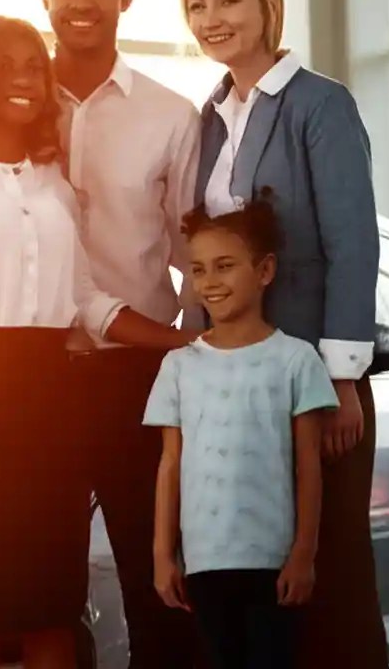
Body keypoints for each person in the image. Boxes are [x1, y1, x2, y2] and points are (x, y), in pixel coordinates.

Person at [0, 0, 206, 667]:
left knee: (95, 606)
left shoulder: (125, 140)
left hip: (91, 393)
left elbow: (111, 292)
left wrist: (187, 347)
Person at [181, 0, 386, 666]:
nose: (213, 20)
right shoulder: (211, 116)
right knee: (257, 589)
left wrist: (342, 377)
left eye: (229, 1)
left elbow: (352, 244)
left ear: (269, 2)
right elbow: (202, 253)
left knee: (332, 581)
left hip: (310, 381)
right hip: (233, 385)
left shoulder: (320, 105)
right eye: (199, 5)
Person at [146, 194, 333, 669]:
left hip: (274, 563)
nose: (210, 282)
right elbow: (170, 466)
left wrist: (303, 554)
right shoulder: (178, 367)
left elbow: (308, 464)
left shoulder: (296, 360)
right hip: (204, 564)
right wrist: (162, 555)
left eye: (225, 266)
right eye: (200, 269)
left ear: (265, 271)